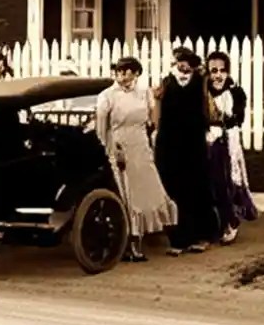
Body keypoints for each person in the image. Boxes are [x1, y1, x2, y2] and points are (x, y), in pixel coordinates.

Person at [95, 57, 179, 262]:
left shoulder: (144, 93)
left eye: (127, 71)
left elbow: (153, 119)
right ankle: (131, 244)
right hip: (119, 145)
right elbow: (101, 128)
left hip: (141, 145)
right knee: (128, 194)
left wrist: (152, 135)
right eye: (119, 72)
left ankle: (164, 235)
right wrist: (111, 149)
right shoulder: (107, 96)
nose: (122, 76)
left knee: (149, 191)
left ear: (136, 73)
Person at [152, 47, 222, 256]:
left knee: (197, 187)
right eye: (177, 62)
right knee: (174, 188)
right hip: (170, 142)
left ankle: (202, 236)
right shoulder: (167, 83)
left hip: (193, 142)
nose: (180, 66)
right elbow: (158, 110)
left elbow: (209, 107)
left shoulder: (201, 82)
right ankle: (178, 238)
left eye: (183, 61)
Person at [205, 51, 258, 244]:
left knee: (227, 181)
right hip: (206, 140)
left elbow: (237, 118)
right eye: (213, 71)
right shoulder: (203, 92)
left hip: (227, 141)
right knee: (208, 183)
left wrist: (222, 128)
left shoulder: (235, 93)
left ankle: (231, 221)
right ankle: (213, 224)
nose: (218, 75)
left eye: (222, 71)